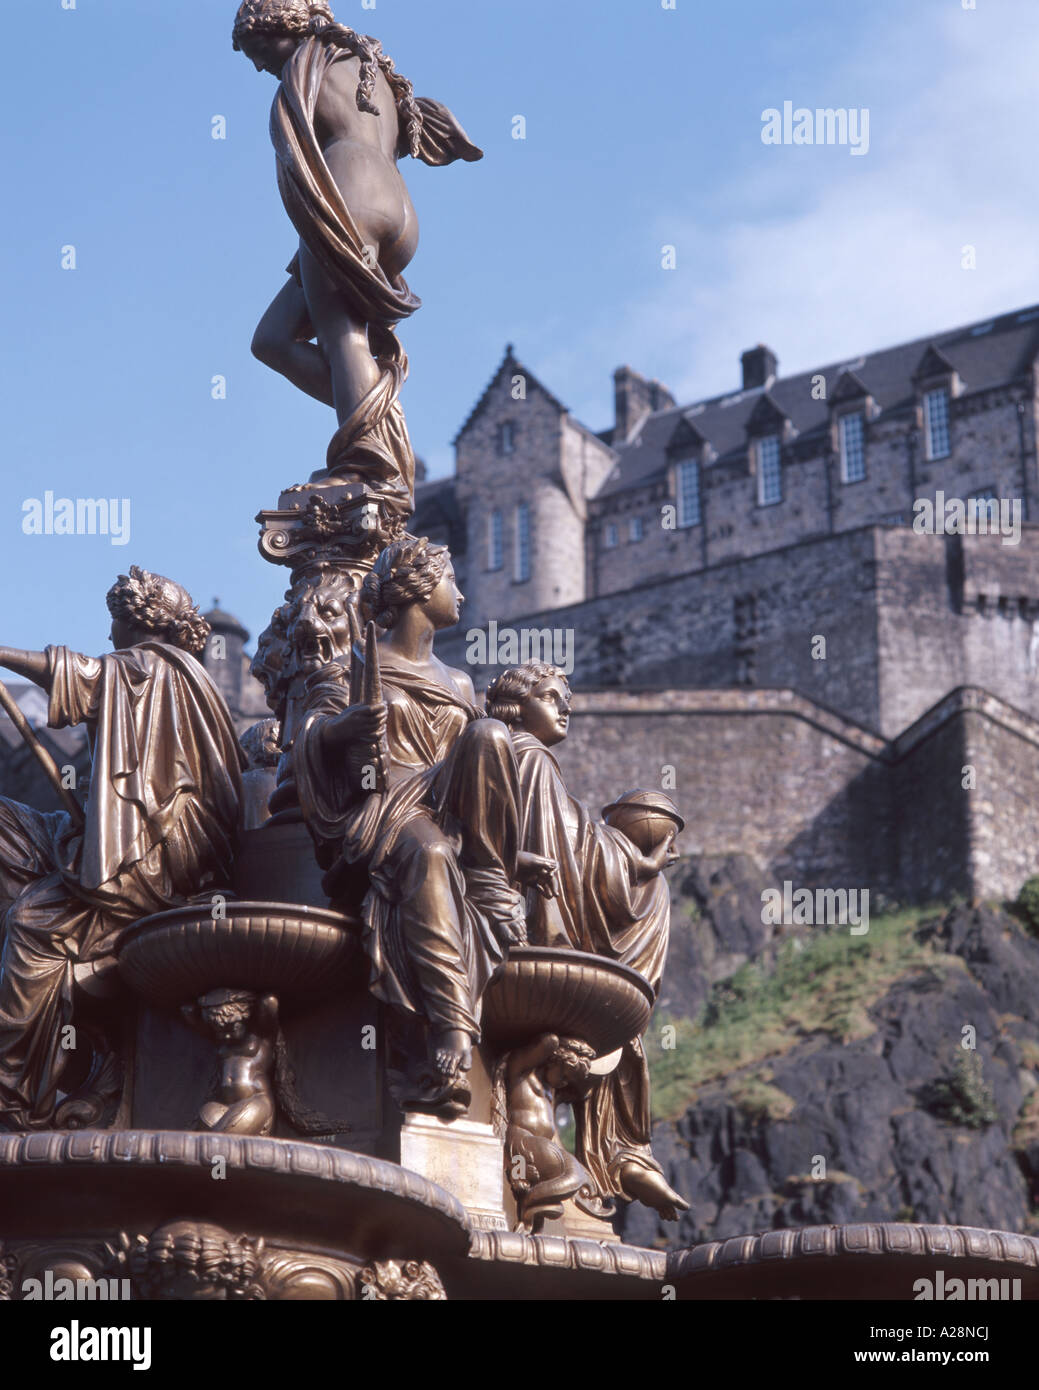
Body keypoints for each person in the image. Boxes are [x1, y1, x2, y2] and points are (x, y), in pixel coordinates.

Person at [293, 537, 551, 1115]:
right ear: (415, 589)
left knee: (489, 735)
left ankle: (488, 872)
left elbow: (479, 771)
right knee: (431, 856)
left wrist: (512, 851)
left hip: (450, 808)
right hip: (388, 808)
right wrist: (345, 728)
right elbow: (303, 745)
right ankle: (451, 1031)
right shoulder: (358, 665)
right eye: (450, 579)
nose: (460, 592)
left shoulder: (460, 683)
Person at [0, 567, 245, 1130]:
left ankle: (15, 1094)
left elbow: (76, 675)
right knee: (10, 825)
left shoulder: (154, 668)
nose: (109, 634)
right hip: (115, 848)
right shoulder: (174, 677)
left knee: (32, 924)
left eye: (116, 621)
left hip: (157, 867)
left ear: (139, 621)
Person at [232, 0, 482, 505]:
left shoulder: (309, 61)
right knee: (273, 338)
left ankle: (367, 465)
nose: (259, 66)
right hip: (398, 210)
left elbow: (302, 156)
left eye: (259, 49)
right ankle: (376, 425)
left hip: (348, 194)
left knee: (343, 335)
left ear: (284, 25)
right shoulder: (369, 64)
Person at [485, 661, 690, 1221]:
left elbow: (569, 837)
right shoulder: (529, 759)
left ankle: (621, 1155)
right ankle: (619, 1155)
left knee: (607, 1022)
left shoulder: (521, 757)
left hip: (532, 918)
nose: (565, 707)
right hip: (526, 924)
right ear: (517, 703)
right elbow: (562, 847)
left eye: (566, 699)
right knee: (652, 900)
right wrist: (639, 860)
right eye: (553, 696)